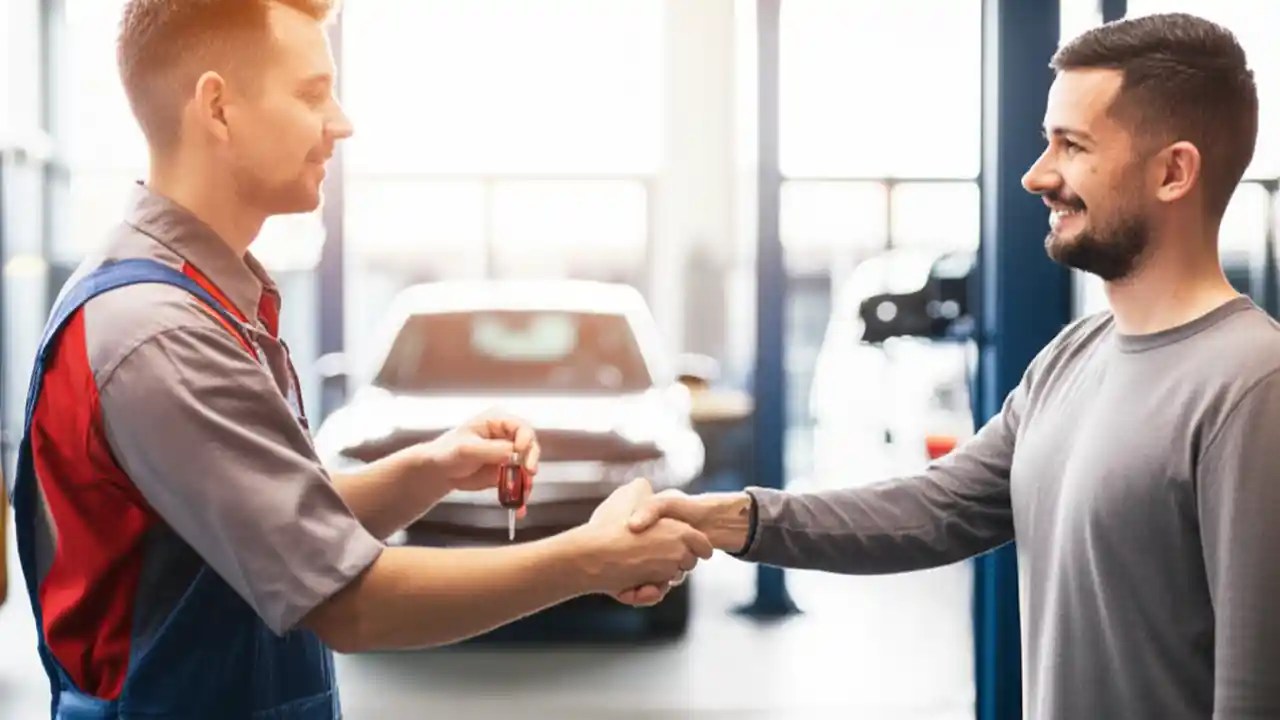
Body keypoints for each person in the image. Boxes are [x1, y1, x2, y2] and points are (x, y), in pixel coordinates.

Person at [7, 1, 710, 718]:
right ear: (217, 108)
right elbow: (351, 605)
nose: (340, 123)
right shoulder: (161, 335)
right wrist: (588, 558)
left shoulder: (194, 301)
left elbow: (271, 523)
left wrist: (428, 469)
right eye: (313, 93)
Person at [625, 13, 1280, 719]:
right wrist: (732, 521)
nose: (1038, 175)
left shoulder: (1252, 386)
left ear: (1174, 171)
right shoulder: (1071, 357)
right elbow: (933, 509)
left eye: (1073, 145)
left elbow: (1257, 690)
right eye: (1045, 141)